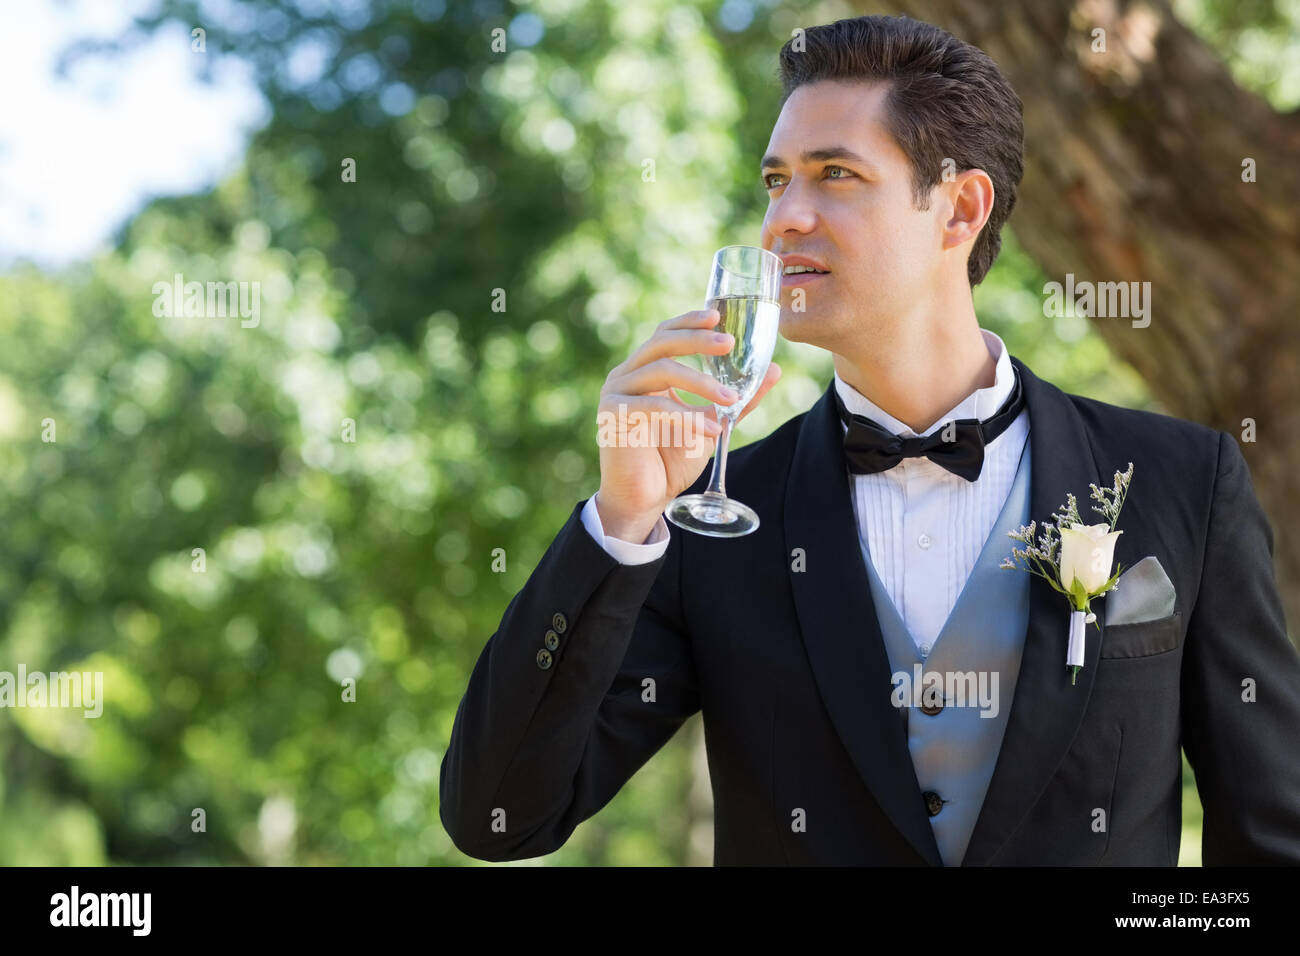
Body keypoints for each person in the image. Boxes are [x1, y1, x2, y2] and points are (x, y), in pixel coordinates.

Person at [440, 14, 1300, 865]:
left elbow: (1271, 836)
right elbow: (501, 816)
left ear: (959, 209)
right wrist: (620, 521)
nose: (783, 220)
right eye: (776, 182)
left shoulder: (1187, 483)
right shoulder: (719, 518)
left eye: (835, 174)